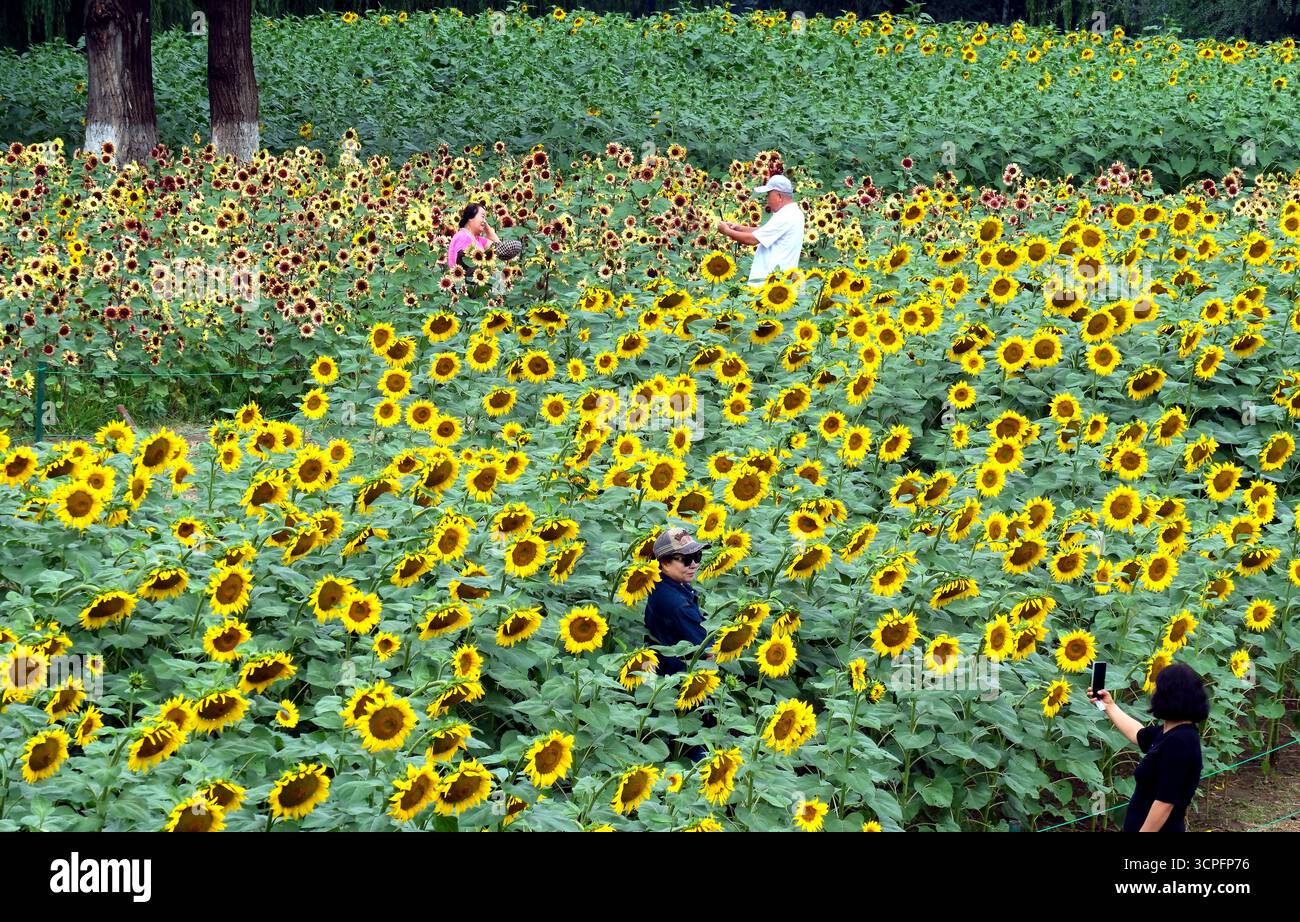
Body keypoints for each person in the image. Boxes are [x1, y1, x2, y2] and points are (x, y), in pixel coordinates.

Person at [1088, 663, 1207, 832]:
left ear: (1169, 696)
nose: (1153, 693)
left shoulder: (1180, 743)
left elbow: (1165, 802)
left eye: (1157, 688)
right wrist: (1109, 705)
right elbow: (1138, 733)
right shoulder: (1170, 733)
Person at [716, 173, 805, 287]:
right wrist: (737, 227)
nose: (767, 199)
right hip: (780, 282)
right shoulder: (793, 213)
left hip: (771, 287)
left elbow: (753, 240)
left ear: (779, 196)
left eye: (769, 194)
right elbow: (764, 231)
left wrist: (727, 231)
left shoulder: (786, 216)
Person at [643, 527, 710, 676]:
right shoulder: (678, 606)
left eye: (697, 556)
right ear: (665, 563)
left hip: (658, 670)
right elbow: (707, 651)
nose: (694, 564)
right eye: (686, 559)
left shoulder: (659, 583)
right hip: (677, 681)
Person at [446, 203, 524, 269]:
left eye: (485, 218)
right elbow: (465, 268)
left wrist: (487, 228)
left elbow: (504, 250)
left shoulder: (478, 240)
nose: (485, 221)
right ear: (470, 217)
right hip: (467, 285)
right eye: (482, 216)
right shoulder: (462, 237)